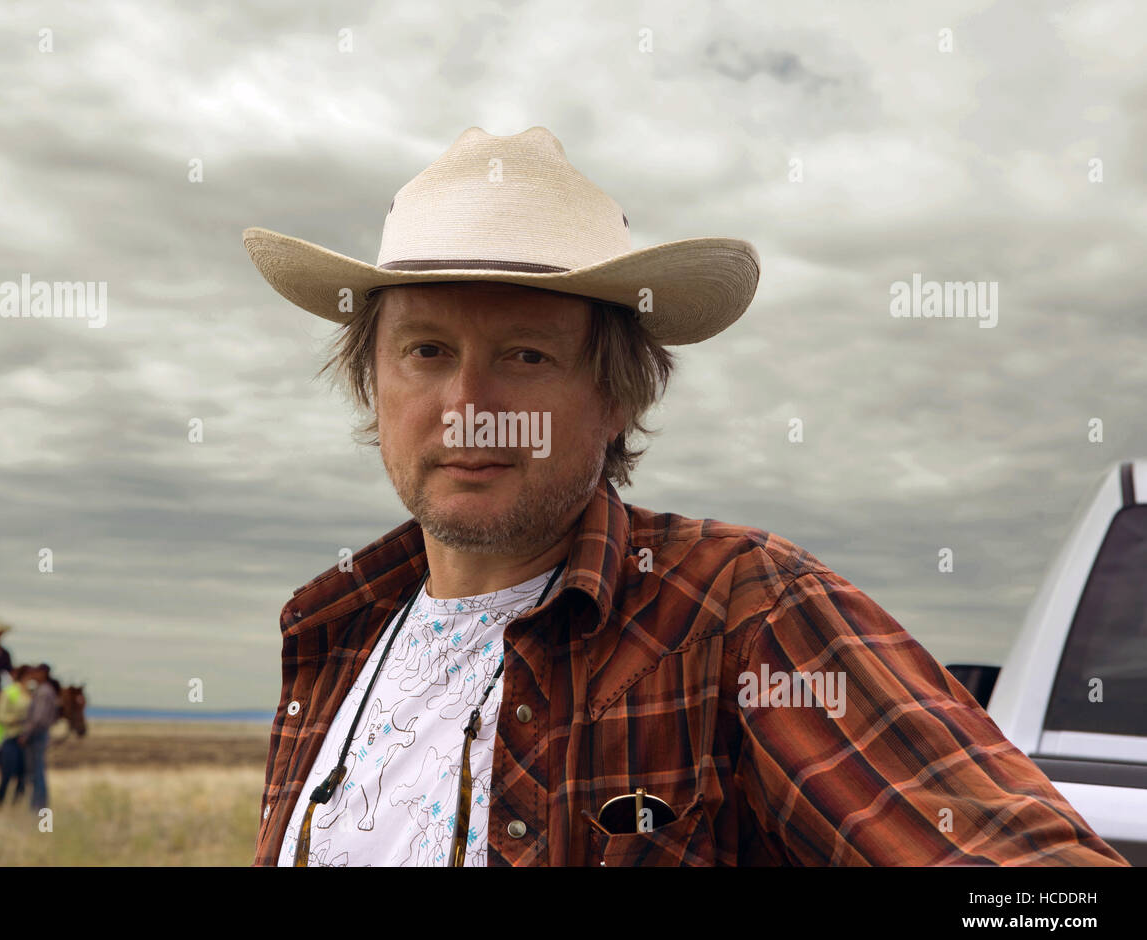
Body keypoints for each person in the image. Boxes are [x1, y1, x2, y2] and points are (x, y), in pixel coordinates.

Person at [240, 126, 1129, 867]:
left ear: (617, 395)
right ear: (372, 383)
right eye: (427, 351)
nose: (469, 409)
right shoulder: (335, 636)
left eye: (527, 356)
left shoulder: (740, 614)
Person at [20, 663, 57, 812]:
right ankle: (37, 804)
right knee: (37, 771)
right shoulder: (46, 691)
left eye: (36, 672)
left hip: (37, 735)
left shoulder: (43, 692)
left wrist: (26, 734)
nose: (33, 675)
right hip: (40, 733)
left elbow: (38, 718)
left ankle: (38, 806)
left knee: (37, 771)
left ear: (43, 673)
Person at [0, 666, 31, 807]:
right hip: (10, 737)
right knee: (6, 774)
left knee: (23, 776)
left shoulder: (31, 693)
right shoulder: (10, 692)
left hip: (26, 740)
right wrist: (17, 719)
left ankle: (16, 805)